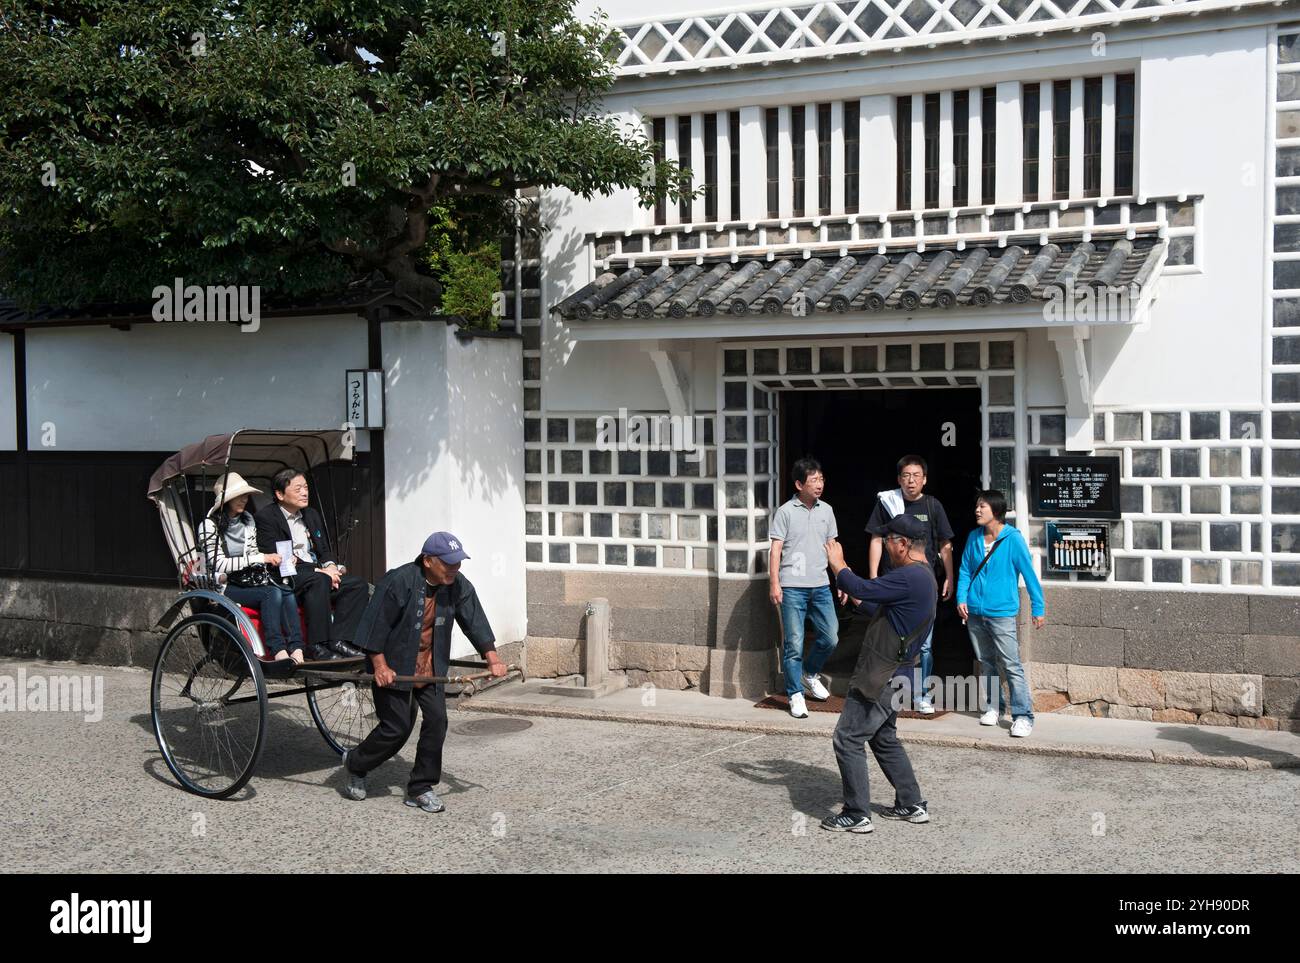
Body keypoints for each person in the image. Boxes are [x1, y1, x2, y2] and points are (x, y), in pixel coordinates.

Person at [342, 532, 507, 813]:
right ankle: (356, 764)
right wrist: (380, 666)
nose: (455, 568)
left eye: (457, 563)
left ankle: (420, 788)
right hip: (394, 666)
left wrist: (492, 658)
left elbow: (473, 618)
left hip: (430, 667)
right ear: (428, 560)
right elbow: (375, 624)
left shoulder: (457, 584)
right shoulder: (399, 580)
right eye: (448, 563)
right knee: (396, 729)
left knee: (438, 722)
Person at [821, 516, 936, 833]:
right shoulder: (923, 576)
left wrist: (838, 564)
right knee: (884, 739)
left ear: (903, 544)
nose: (885, 546)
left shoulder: (909, 577)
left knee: (847, 738)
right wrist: (855, 593)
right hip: (900, 675)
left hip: (881, 676)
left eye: (888, 540)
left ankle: (857, 812)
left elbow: (859, 585)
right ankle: (911, 803)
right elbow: (879, 608)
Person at [865, 455, 955, 714]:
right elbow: (876, 539)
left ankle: (921, 694)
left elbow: (944, 544)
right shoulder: (887, 503)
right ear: (898, 479)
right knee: (889, 638)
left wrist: (949, 576)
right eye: (906, 475)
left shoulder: (932, 506)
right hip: (892, 582)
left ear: (925, 479)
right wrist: (873, 578)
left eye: (916, 475)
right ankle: (889, 690)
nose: (911, 480)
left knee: (924, 643)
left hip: (923, 584)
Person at [956, 490, 1046, 738]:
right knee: (986, 663)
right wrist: (962, 598)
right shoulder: (974, 537)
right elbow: (965, 570)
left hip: (1002, 612)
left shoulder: (1013, 539)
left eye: (982, 506)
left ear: (996, 511)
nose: (977, 510)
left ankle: (1023, 716)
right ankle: (995, 707)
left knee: (1011, 664)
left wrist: (1038, 608)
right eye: (977, 506)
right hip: (975, 611)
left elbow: (1029, 574)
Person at [254, 469, 367, 662]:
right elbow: (279, 559)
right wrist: (320, 571)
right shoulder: (266, 518)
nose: (305, 493)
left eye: (306, 488)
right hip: (287, 575)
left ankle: (341, 640)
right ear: (280, 494)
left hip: (317, 574)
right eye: (298, 489)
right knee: (319, 579)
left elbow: (324, 549)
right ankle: (316, 646)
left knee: (357, 585)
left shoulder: (311, 514)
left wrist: (331, 566)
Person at [196, 472, 304, 663]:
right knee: (271, 593)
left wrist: (275, 559)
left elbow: (253, 552)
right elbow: (219, 563)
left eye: (246, 495)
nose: (244, 499)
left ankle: (297, 648)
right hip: (223, 586)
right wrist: (260, 557)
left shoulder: (247, 520)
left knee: (284, 589)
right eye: (239, 496)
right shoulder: (208, 526)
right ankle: (277, 649)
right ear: (226, 499)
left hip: (247, 579)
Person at [769, 458, 842, 719]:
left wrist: (842, 578)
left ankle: (810, 673)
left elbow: (833, 546)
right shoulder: (785, 511)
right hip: (792, 587)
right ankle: (795, 694)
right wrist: (775, 583)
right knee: (794, 643)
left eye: (821, 479)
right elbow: (776, 549)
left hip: (821, 585)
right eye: (813, 480)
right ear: (799, 484)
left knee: (831, 636)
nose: (819, 484)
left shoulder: (827, 510)